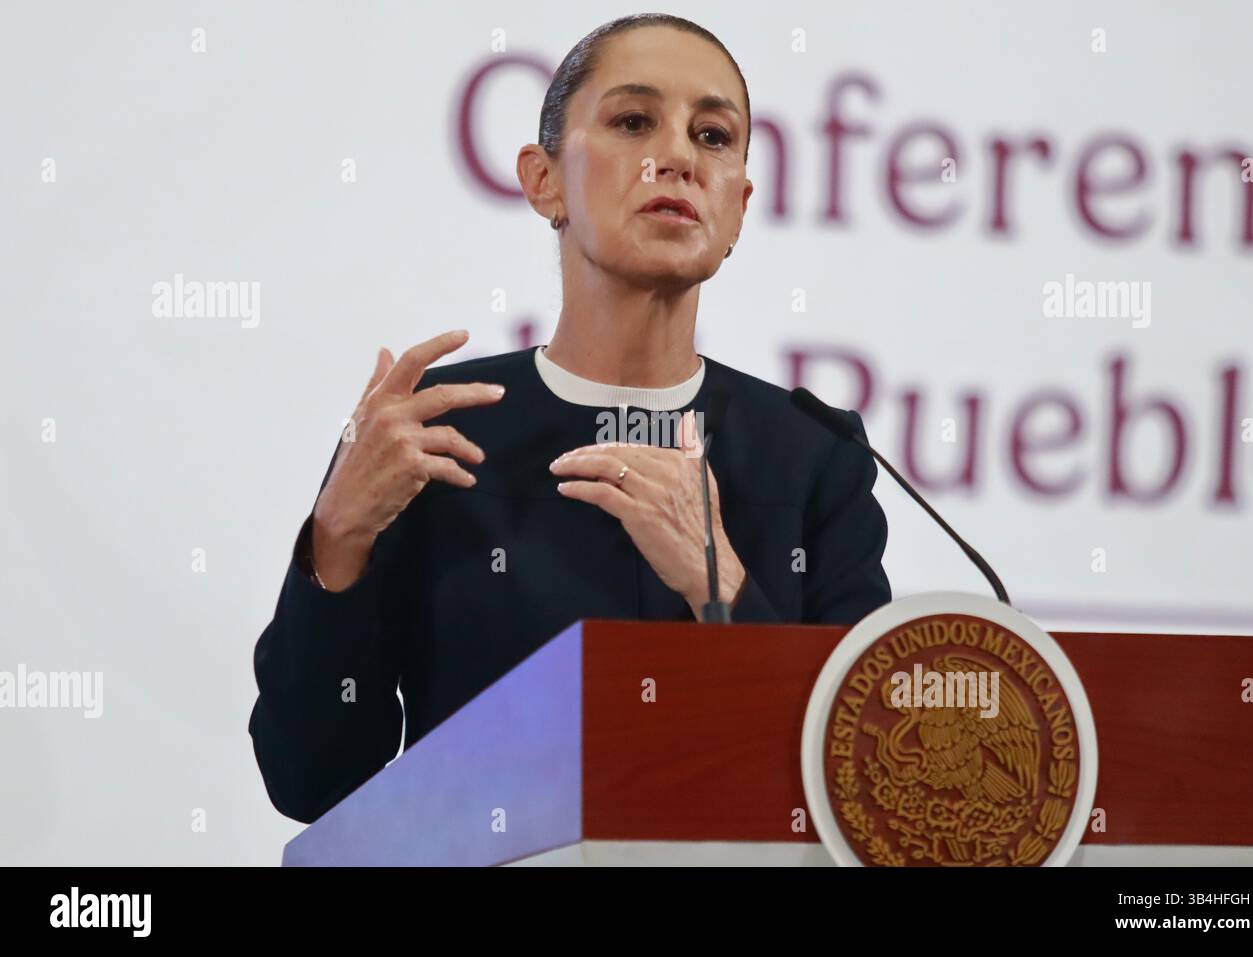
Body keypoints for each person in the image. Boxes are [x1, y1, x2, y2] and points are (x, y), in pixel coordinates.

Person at [249, 13, 890, 824]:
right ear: (542, 179)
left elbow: (865, 787)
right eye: (632, 121)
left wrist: (718, 583)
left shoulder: (811, 457)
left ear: (738, 208)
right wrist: (336, 536)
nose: (679, 157)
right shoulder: (435, 433)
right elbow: (312, 779)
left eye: (714, 136)